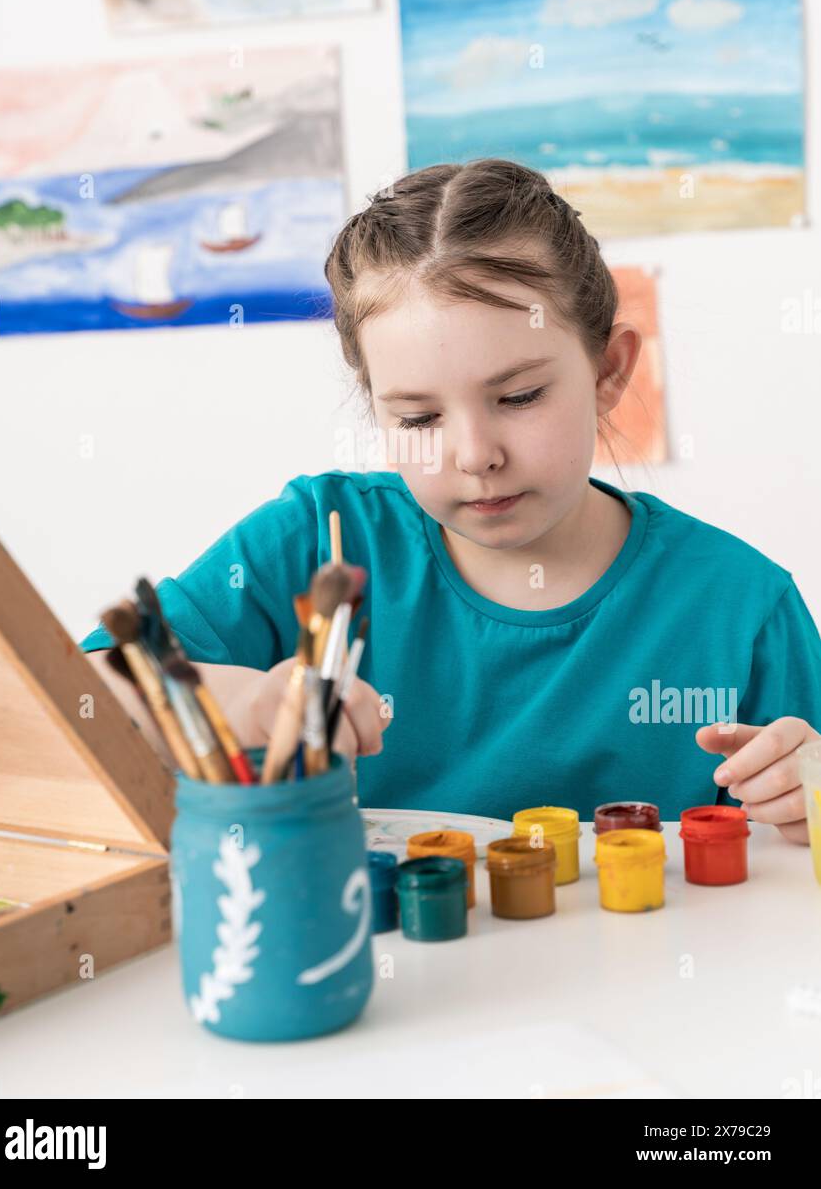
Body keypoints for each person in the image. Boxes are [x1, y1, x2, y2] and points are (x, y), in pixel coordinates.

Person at [81, 158, 821, 837]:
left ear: (610, 373)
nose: (474, 456)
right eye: (419, 418)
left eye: (521, 395)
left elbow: (797, 848)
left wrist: (805, 796)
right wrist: (242, 703)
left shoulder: (743, 606)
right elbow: (87, 693)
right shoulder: (317, 536)